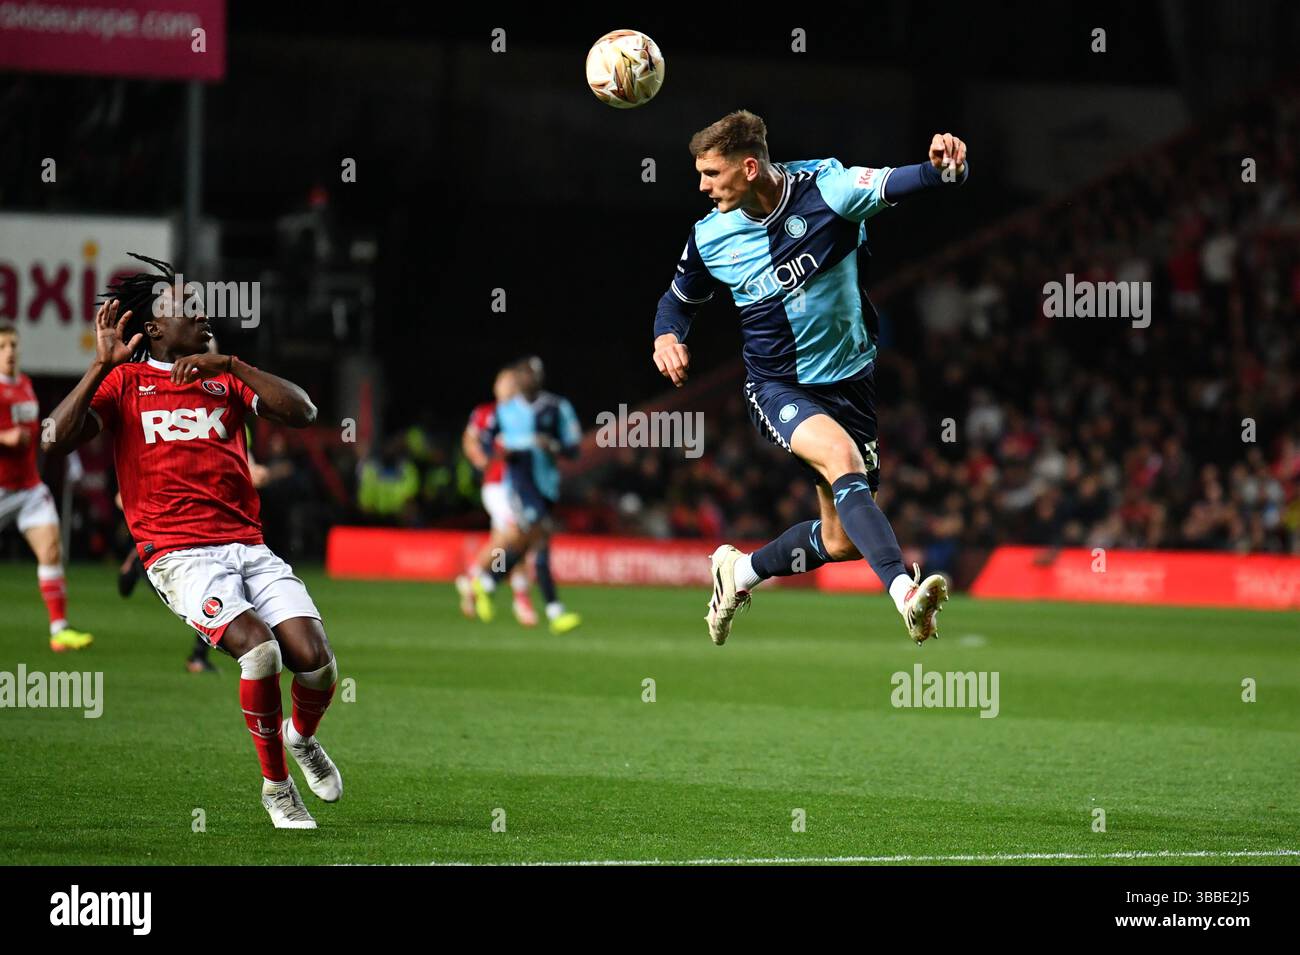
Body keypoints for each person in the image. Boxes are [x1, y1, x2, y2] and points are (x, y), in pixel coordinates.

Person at [43, 254, 341, 829]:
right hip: (179, 555)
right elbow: (54, 440)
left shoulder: (225, 377)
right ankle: (277, 787)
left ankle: (302, 740)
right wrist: (97, 367)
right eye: (187, 306)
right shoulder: (125, 383)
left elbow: (303, 411)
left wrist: (230, 362)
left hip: (248, 546)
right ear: (154, 328)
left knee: (317, 662)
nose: (203, 312)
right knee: (260, 650)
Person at [652, 111, 967, 646]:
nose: (702, 186)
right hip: (778, 386)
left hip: (852, 380)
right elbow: (678, 302)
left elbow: (904, 180)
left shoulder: (829, 189)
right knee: (845, 464)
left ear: (749, 167)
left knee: (841, 542)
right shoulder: (710, 237)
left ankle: (740, 572)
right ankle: (904, 595)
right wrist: (667, 336)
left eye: (711, 173)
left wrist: (943, 168)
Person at [468, 357, 583, 635]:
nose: (529, 379)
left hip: (546, 484)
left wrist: (552, 445)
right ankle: (555, 611)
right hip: (518, 485)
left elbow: (573, 448)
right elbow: (484, 438)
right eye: (525, 374)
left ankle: (487, 582)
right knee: (539, 536)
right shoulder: (505, 410)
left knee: (529, 542)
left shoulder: (557, 407)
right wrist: (497, 451)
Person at [0, 322, 95, 651]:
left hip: (27, 489)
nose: (10, 352)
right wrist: (5, 437)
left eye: (13, 345)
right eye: (2, 347)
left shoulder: (25, 384)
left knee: (51, 550)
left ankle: (59, 629)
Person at [455, 365, 538, 626]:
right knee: (516, 534)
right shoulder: (485, 413)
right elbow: (470, 439)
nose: (508, 387)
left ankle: (508, 596)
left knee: (510, 540)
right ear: (496, 387)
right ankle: (477, 581)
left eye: (512, 383)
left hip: (520, 486)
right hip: (498, 486)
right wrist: (478, 456)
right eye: (504, 382)